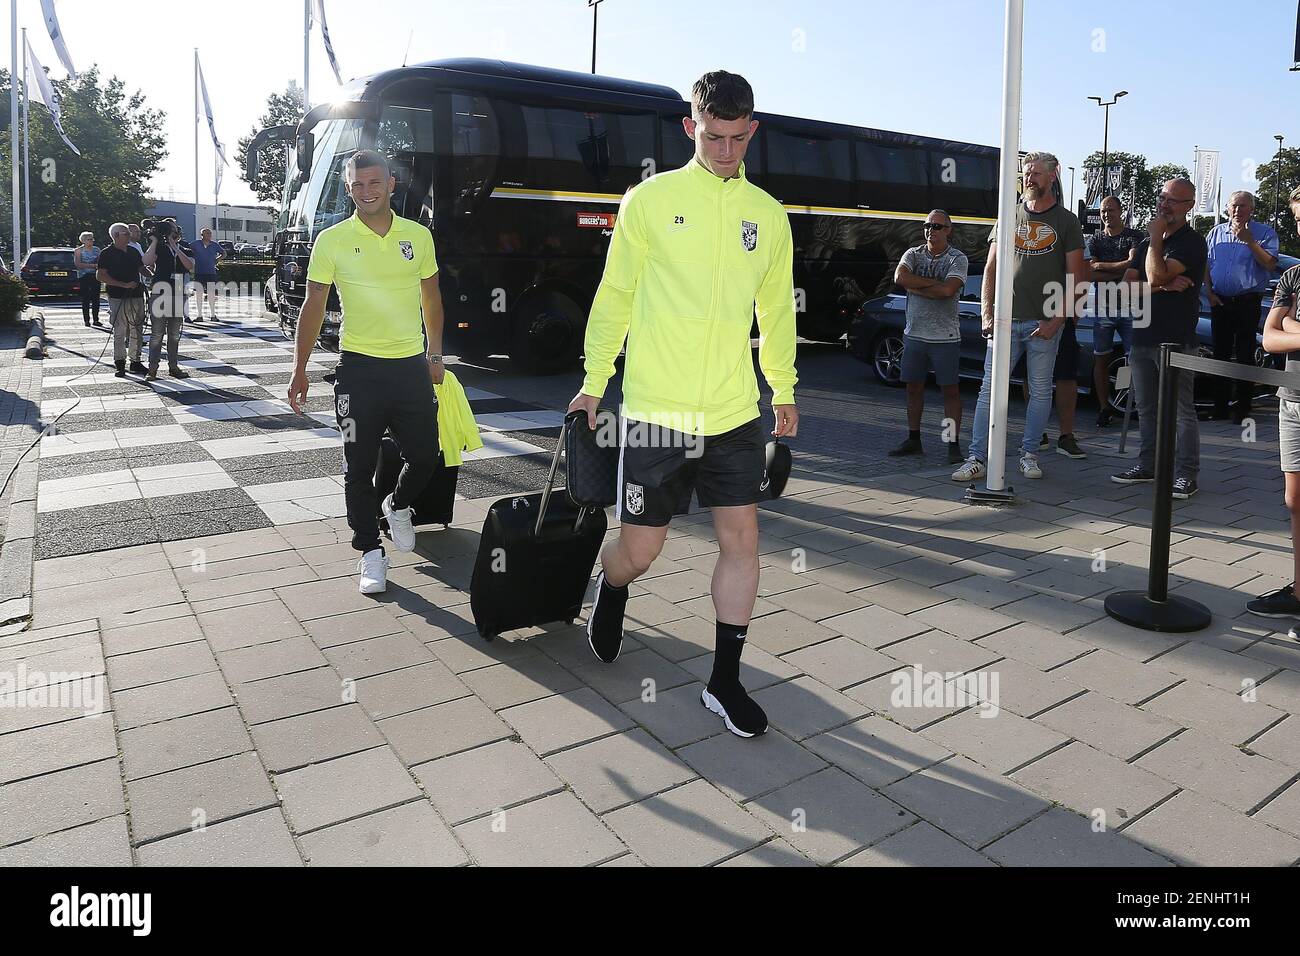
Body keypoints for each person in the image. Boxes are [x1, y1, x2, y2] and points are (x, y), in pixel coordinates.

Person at [570, 71, 799, 739]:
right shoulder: (649, 200)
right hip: (656, 414)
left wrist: (782, 386)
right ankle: (612, 587)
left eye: (737, 139)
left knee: (743, 541)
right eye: (712, 137)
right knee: (640, 550)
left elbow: (776, 309)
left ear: (752, 130)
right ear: (689, 128)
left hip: (733, 412)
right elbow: (615, 295)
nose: (725, 151)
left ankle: (724, 681)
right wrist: (594, 379)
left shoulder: (767, 214)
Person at [287, 149, 444, 596]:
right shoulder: (332, 240)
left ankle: (397, 504)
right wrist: (299, 369)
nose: (366, 191)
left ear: (391, 184)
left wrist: (435, 355)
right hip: (358, 370)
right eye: (357, 184)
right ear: (348, 187)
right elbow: (313, 304)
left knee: (425, 456)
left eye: (374, 182)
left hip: (410, 367)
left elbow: (431, 297)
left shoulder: (418, 236)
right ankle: (370, 551)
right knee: (358, 466)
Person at [952, 151, 1086, 482]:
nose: (1029, 178)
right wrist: (986, 313)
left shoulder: (1067, 221)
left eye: (1036, 173)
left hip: (1043, 323)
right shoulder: (1008, 216)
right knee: (989, 390)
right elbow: (991, 269)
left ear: (1053, 176)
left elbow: (1077, 278)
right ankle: (977, 458)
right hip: (1004, 321)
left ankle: (1029, 454)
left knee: (1040, 391)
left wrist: (1056, 321)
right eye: (1027, 173)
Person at [1110, 178, 1207, 498]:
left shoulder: (1191, 242)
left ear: (1189, 206)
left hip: (1176, 339)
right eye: (1162, 198)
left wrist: (1155, 240)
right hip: (1142, 336)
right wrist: (1162, 286)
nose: (1164, 205)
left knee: (1181, 410)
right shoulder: (1143, 245)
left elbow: (1155, 273)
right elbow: (1124, 290)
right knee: (1147, 407)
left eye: (1172, 201)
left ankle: (1186, 474)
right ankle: (1148, 465)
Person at [1249, 186, 1300, 623]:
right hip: (1293, 398)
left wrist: (1292, 325)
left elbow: (1283, 329)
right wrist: (1287, 326)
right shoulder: (1293, 276)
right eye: (1299, 220)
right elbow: (1269, 337)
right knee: (1295, 500)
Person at [888, 209, 968, 464]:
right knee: (913, 388)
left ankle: (952, 444)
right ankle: (914, 439)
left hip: (945, 337)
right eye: (927, 225)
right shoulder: (913, 254)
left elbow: (948, 291)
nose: (930, 230)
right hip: (915, 335)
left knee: (950, 392)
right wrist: (933, 285)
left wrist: (915, 286)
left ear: (948, 230)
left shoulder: (957, 258)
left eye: (936, 226)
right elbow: (899, 277)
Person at [1205, 190, 1280, 424]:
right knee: (1220, 354)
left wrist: (1249, 241)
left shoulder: (1265, 233)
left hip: (1247, 302)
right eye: (1234, 206)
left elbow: (1270, 264)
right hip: (1220, 302)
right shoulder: (1216, 232)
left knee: (1245, 354)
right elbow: (1206, 265)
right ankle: (1219, 408)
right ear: (1228, 208)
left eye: (1243, 206)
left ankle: (1243, 407)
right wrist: (1209, 293)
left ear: (1252, 209)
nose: (1237, 210)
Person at [1087, 195, 1144, 426]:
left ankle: (1131, 404)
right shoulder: (1095, 239)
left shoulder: (1135, 236)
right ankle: (1104, 408)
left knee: (1134, 359)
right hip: (1104, 308)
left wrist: (1101, 266)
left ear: (1121, 211)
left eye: (1110, 210)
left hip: (1131, 306)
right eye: (1103, 211)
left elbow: (1134, 266)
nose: (1106, 214)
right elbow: (1090, 273)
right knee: (1101, 358)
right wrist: (1121, 270)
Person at [141, 224, 194, 381]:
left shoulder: (185, 249)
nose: (171, 234)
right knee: (157, 333)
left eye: (174, 232)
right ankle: (152, 369)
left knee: (174, 334)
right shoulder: (158, 248)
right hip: (159, 293)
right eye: (168, 232)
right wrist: (154, 241)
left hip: (177, 293)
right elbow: (145, 261)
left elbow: (190, 266)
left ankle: (173, 366)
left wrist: (175, 247)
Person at [96, 223, 147, 377]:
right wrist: (123, 285)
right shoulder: (107, 253)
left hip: (136, 295)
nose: (129, 235)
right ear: (116, 235)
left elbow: (141, 268)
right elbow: (100, 275)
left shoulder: (133, 250)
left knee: (137, 329)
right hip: (117, 296)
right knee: (120, 330)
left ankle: (135, 361)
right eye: (126, 233)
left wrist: (152, 275)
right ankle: (120, 362)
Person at [190, 227, 223, 322]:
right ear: (202, 235)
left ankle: (213, 315)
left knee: (211, 295)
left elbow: (224, 253)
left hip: (211, 273)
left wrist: (217, 260)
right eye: (207, 233)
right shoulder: (195, 244)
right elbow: (188, 251)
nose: (209, 235)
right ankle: (199, 315)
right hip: (199, 272)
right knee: (199, 295)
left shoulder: (214, 245)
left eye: (210, 233)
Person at [73, 231, 102, 327]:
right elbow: (78, 264)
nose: (91, 241)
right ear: (83, 241)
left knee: (96, 298)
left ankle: (96, 319)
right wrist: (92, 265)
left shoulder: (97, 250)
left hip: (95, 276)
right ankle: (86, 320)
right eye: (89, 239)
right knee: (85, 298)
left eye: (92, 239)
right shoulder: (78, 250)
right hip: (84, 276)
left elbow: (100, 262)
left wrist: (97, 266)